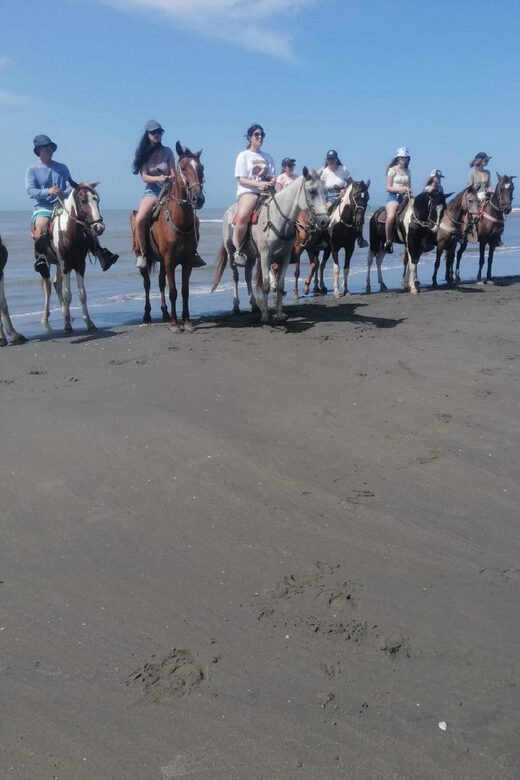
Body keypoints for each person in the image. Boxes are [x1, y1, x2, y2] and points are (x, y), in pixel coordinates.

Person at [26, 134, 118, 278]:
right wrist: (48, 191)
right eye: (45, 147)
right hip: (43, 207)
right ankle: (42, 259)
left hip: (63, 204)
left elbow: (70, 186)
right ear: (39, 149)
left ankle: (101, 254)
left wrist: (64, 192)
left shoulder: (62, 167)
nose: (49, 149)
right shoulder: (32, 169)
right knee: (42, 224)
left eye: (50, 147)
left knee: (85, 224)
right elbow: (30, 191)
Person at [132, 120, 176, 269]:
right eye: (153, 132)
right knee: (140, 219)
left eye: (159, 132)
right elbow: (144, 176)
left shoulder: (168, 151)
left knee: (192, 218)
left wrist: (168, 178)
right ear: (148, 134)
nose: (157, 135)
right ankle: (143, 254)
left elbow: (174, 174)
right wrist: (158, 178)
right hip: (152, 191)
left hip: (169, 190)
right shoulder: (143, 154)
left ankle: (192, 252)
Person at [233, 124, 276, 267]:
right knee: (244, 216)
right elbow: (241, 178)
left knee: (285, 212)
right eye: (256, 134)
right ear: (250, 137)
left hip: (266, 191)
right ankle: (238, 251)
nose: (259, 137)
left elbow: (272, 177)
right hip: (249, 191)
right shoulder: (243, 155)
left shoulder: (268, 156)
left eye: (262, 135)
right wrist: (259, 185)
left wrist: (271, 182)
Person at [320, 150, 368, 247]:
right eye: (329, 159)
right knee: (323, 216)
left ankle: (360, 237)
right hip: (330, 197)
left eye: (333, 159)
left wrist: (345, 190)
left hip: (343, 196)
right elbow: (319, 187)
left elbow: (351, 183)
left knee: (357, 211)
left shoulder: (343, 169)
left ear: (336, 159)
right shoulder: (324, 172)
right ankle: (322, 239)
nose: (331, 161)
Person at [384, 146, 412, 253]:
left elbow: (409, 186)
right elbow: (388, 188)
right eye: (402, 158)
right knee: (391, 216)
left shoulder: (408, 171)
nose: (404, 160)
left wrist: (410, 191)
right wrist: (402, 189)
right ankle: (388, 241)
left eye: (406, 158)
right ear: (398, 158)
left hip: (405, 197)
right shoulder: (392, 171)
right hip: (393, 197)